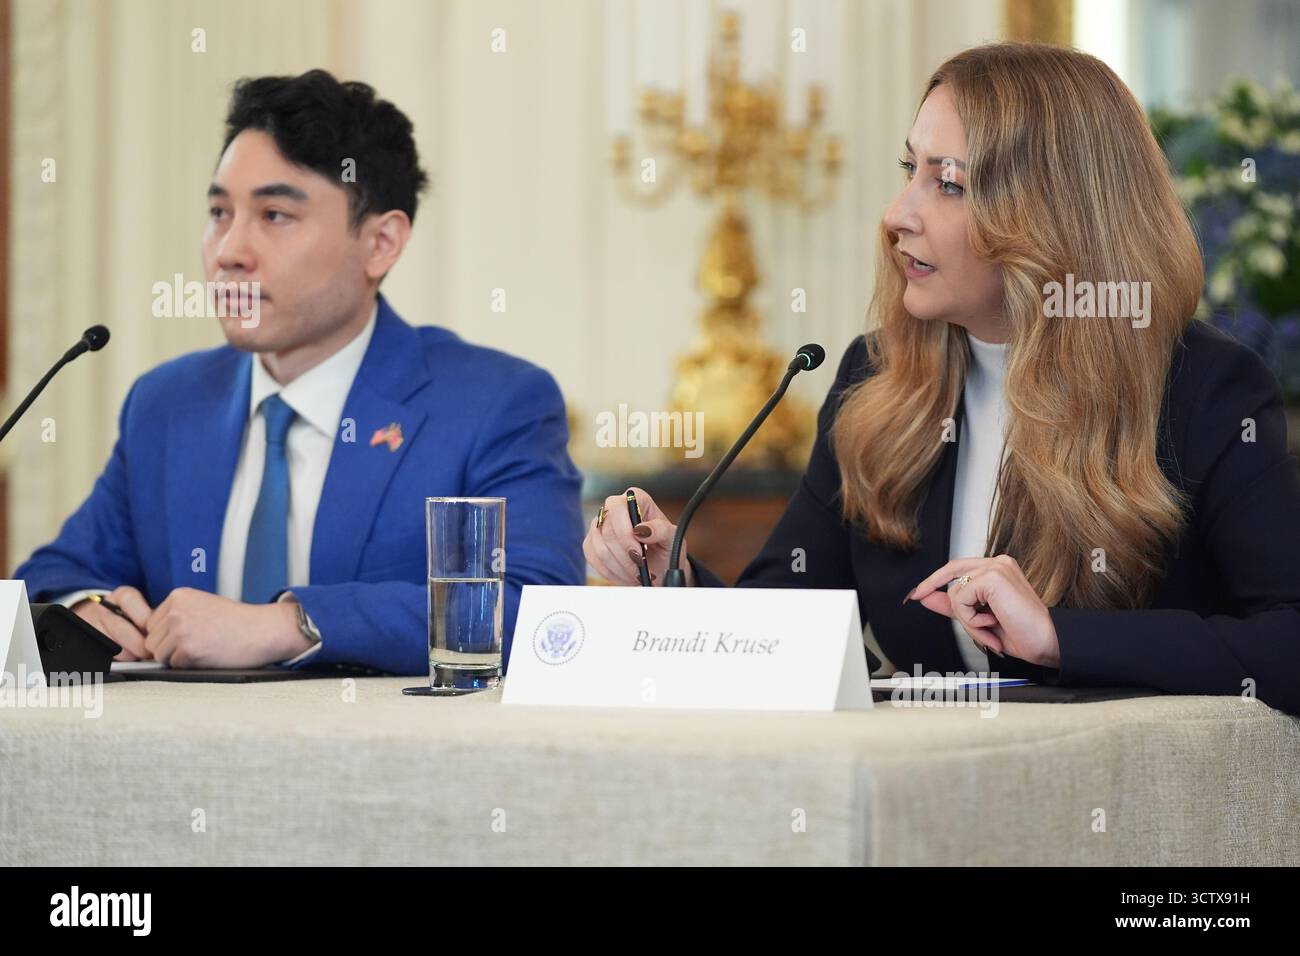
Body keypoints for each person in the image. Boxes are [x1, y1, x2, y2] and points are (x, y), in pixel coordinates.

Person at [583, 43, 1300, 714]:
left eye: (948, 184)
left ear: (1055, 214)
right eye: (910, 172)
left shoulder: (1204, 388)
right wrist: (673, 577)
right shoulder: (877, 377)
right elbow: (792, 619)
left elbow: (1287, 641)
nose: (898, 216)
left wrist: (1056, 635)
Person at [15, 69, 585, 674]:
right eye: (218, 211)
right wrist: (86, 607)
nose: (229, 251)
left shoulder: (491, 403)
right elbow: (50, 577)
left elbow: (538, 611)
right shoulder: (167, 404)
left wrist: (291, 625)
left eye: (275, 215)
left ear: (381, 243)